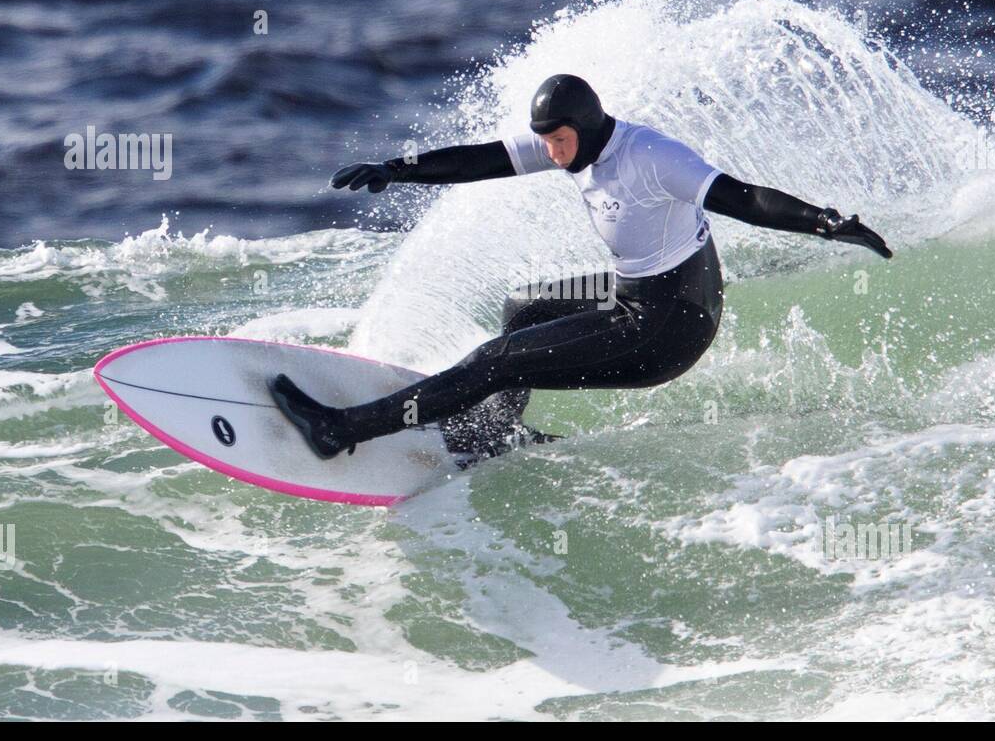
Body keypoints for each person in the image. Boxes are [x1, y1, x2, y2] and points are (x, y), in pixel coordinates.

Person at [270, 74, 892, 459]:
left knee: (495, 359)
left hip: (670, 321)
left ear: (586, 128)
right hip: (636, 290)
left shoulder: (651, 157)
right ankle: (489, 436)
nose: (548, 152)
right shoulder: (568, 147)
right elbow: (482, 160)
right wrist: (397, 169)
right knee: (524, 308)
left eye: (557, 140)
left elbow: (744, 198)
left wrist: (827, 222)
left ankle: (342, 429)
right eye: (544, 140)